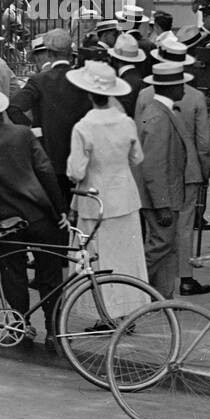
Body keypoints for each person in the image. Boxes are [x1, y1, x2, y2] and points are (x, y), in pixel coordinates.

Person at [0, 81, 68, 350]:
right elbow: (45, 170)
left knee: (13, 273)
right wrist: (61, 209)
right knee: (51, 274)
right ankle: (54, 331)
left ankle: (22, 325)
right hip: (40, 215)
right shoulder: (23, 133)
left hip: (5, 221)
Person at [65, 60, 149, 314]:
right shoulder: (125, 122)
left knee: (97, 259)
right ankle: (129, 308)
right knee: (126, 257)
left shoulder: (84, 127)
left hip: (95, 198)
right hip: (124, 196)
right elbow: (137, 158)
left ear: (90, 94)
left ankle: (104, 312)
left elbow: (76, 171)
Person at [135, 38, 210, 295]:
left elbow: (138, 136)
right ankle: (182, 278)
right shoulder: (196, 96)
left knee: (159, 237)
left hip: (165, 176)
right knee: (177, 231)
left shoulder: (145, 95)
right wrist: (203, 171)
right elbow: (203, 141)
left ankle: (162, 290)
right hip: (179, 175)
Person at [8, 28, 91, 204]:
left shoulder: (40, 81)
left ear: (49, 54)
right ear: (70, 54)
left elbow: (13, 108)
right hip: (82, 154)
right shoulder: (83, 79)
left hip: (49, 154)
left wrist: (35, 130)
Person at [135, 60, 193, 297]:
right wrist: (162, 205)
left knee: (166, 248)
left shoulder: (160, 112)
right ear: (170, 88)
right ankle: (132, 289)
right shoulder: (159, 117)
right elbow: (154, 166)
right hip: (161, 196)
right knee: (161, 245)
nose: (184, 89)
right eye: (181, 85)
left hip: (165, 194)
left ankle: (163, 295)